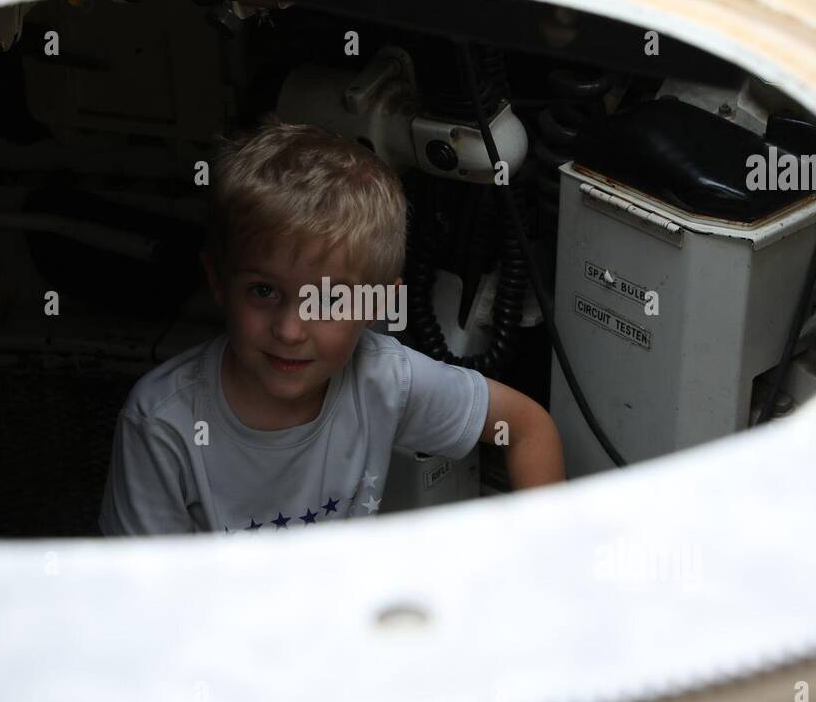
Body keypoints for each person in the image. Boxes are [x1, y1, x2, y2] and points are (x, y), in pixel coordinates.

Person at [99, 121, 564, 536]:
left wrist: (542, 565)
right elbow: (145, 601)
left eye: (329, 300)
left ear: (378, 305)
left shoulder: (385, 379)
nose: (290, 329)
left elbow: (527, 428)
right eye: (264, 291)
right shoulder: (161, 423)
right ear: (218, 280)